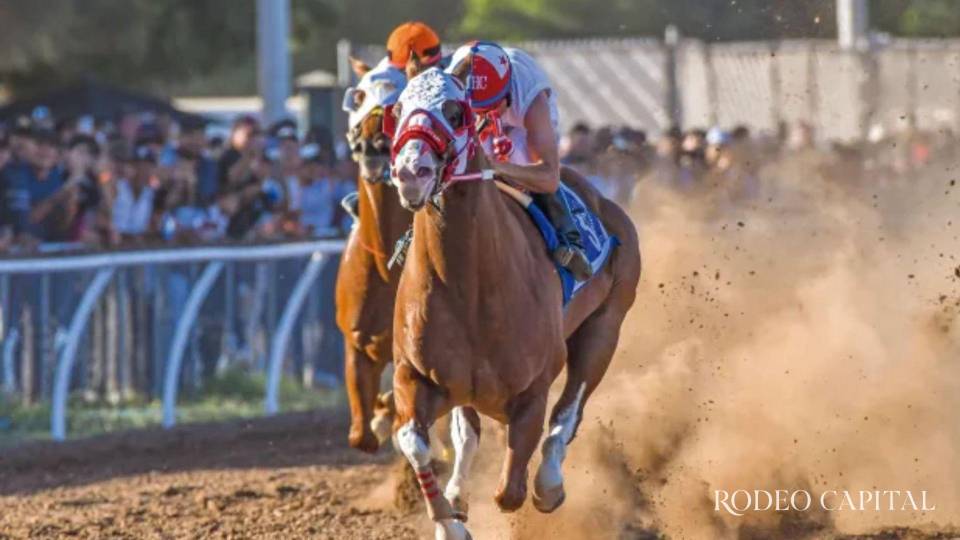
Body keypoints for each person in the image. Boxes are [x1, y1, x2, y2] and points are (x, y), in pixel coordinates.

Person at [448, 41, 593, 280]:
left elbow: (549, 177)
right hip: (472, 102)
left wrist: (497, 167)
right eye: (478, 110)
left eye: (492, 106)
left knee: (520, 157)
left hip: (520, 120)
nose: (486, 117)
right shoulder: (451, 89)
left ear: (506, 92)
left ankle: (571, 241)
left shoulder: (530, 97)